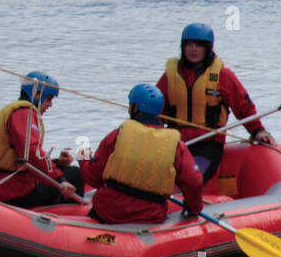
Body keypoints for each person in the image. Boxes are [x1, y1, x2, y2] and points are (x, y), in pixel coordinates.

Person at [156, 22, 273, 183]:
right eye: (189, 45)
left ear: (208, 48)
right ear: (183, 47)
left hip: (207, 144)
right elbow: (154, 111)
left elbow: (243, 106)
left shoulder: (222, 76)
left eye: (199, 45)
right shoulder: (170, 76)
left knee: (192, 180)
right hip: (175, 143)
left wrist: (258, 130)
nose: (193, 49)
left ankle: (188, 204)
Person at [79, 84, 203, 225]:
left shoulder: (117, 136)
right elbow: (194, 181)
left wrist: (83, 158)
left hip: (110, 211)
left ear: (136, 108)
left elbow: (93, 177)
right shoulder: (175, 145)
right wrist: (193, 209)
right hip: (151, 215)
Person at [0, 71, 86, 208]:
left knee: (62, 173)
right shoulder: (24, 113)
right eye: (49, 99)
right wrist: (60, 179)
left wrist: (56, 163)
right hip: (13, 191)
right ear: (37, 94)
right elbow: (31, 152)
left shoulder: (9, 111)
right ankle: (66, 220)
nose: (51, 104)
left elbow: (20, 157)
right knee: (75, 174)